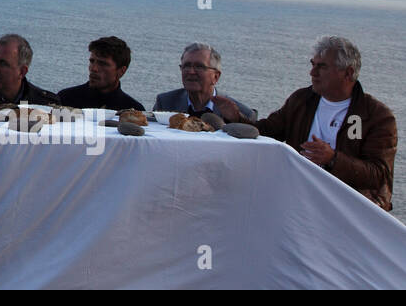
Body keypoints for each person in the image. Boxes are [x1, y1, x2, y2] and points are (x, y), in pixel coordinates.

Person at [230, 36, 396, 210]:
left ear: (348, 73)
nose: (312, 73)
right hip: (299, 199)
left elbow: (380, 175)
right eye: (313, 64)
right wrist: (236, 119)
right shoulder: (302, 100)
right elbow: (269, 130)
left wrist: (333, 159)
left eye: (322, 66)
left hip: (349, 210)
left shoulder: (377, 116)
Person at [152, 43, 255, 120]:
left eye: (199, 67)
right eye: (186, 66)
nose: (191, 72)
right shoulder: (165, 103)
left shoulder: (241, 114)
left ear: (216, 76)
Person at [56, 36, 145, 111]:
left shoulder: (134, 110)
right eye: (92, 61)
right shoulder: (65, 99)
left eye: (103, 64)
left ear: (122, 71)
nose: (94, 69)